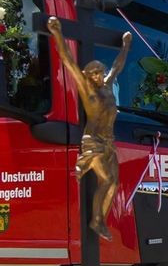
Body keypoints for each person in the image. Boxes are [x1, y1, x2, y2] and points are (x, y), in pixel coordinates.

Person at [47, 17, 131, 241]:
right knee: (107, 180)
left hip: (108, 140)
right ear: (87, 76)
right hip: (92, 141)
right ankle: (97, 221)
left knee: (113, 182)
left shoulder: (107, 85)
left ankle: (98, 220)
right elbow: (68, 60)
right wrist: (56, 32)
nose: (99, 76)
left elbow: (118, 66)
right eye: (94, 73)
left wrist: (126, 45)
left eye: (100, 72)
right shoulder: (86, 89)